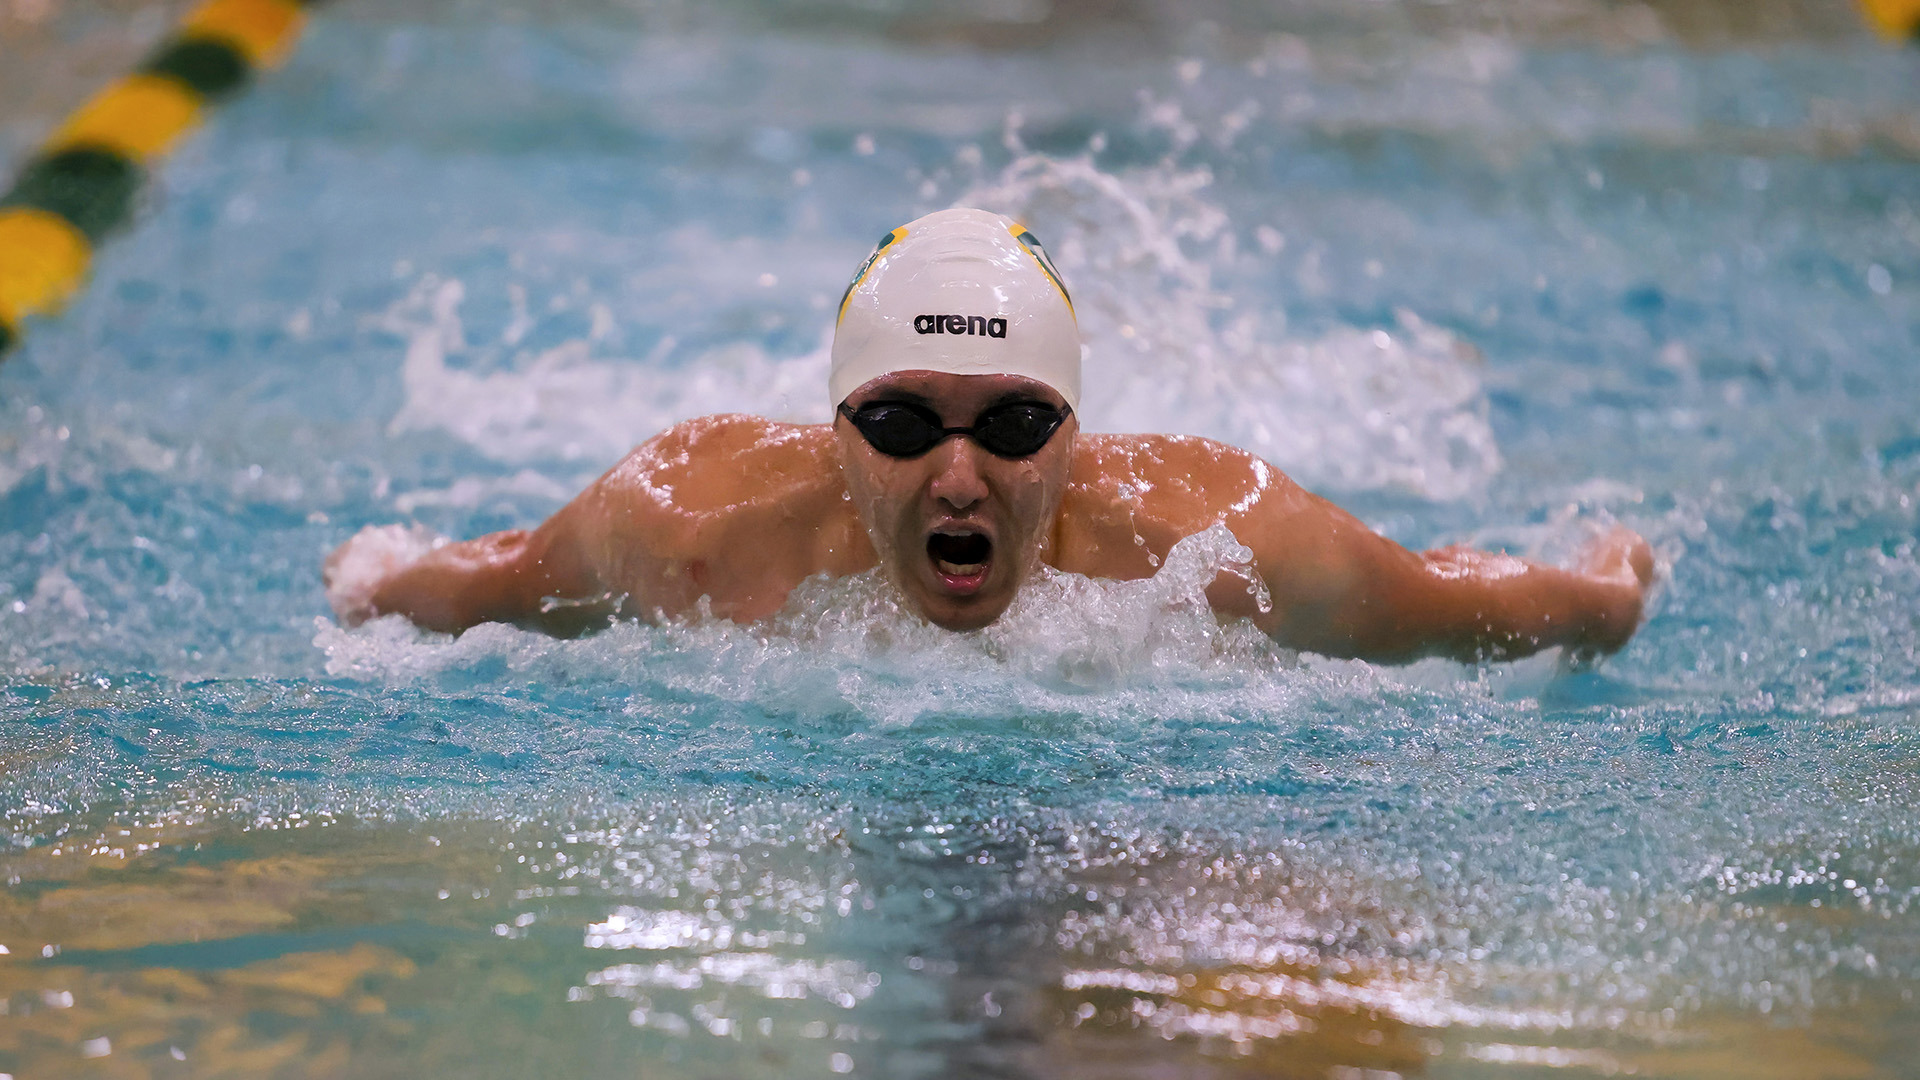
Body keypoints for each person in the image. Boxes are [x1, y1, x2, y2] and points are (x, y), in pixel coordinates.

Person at [325, 208, 1654, 663]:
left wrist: (1597, 599)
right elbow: (493, 582)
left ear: (1076, 436)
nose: (957, 473)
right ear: (834, 432)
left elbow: (1441, 600)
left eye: (1013, 423)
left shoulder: (1218, 545)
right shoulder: (685, 529)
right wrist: (373, 587)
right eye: (902, 422)